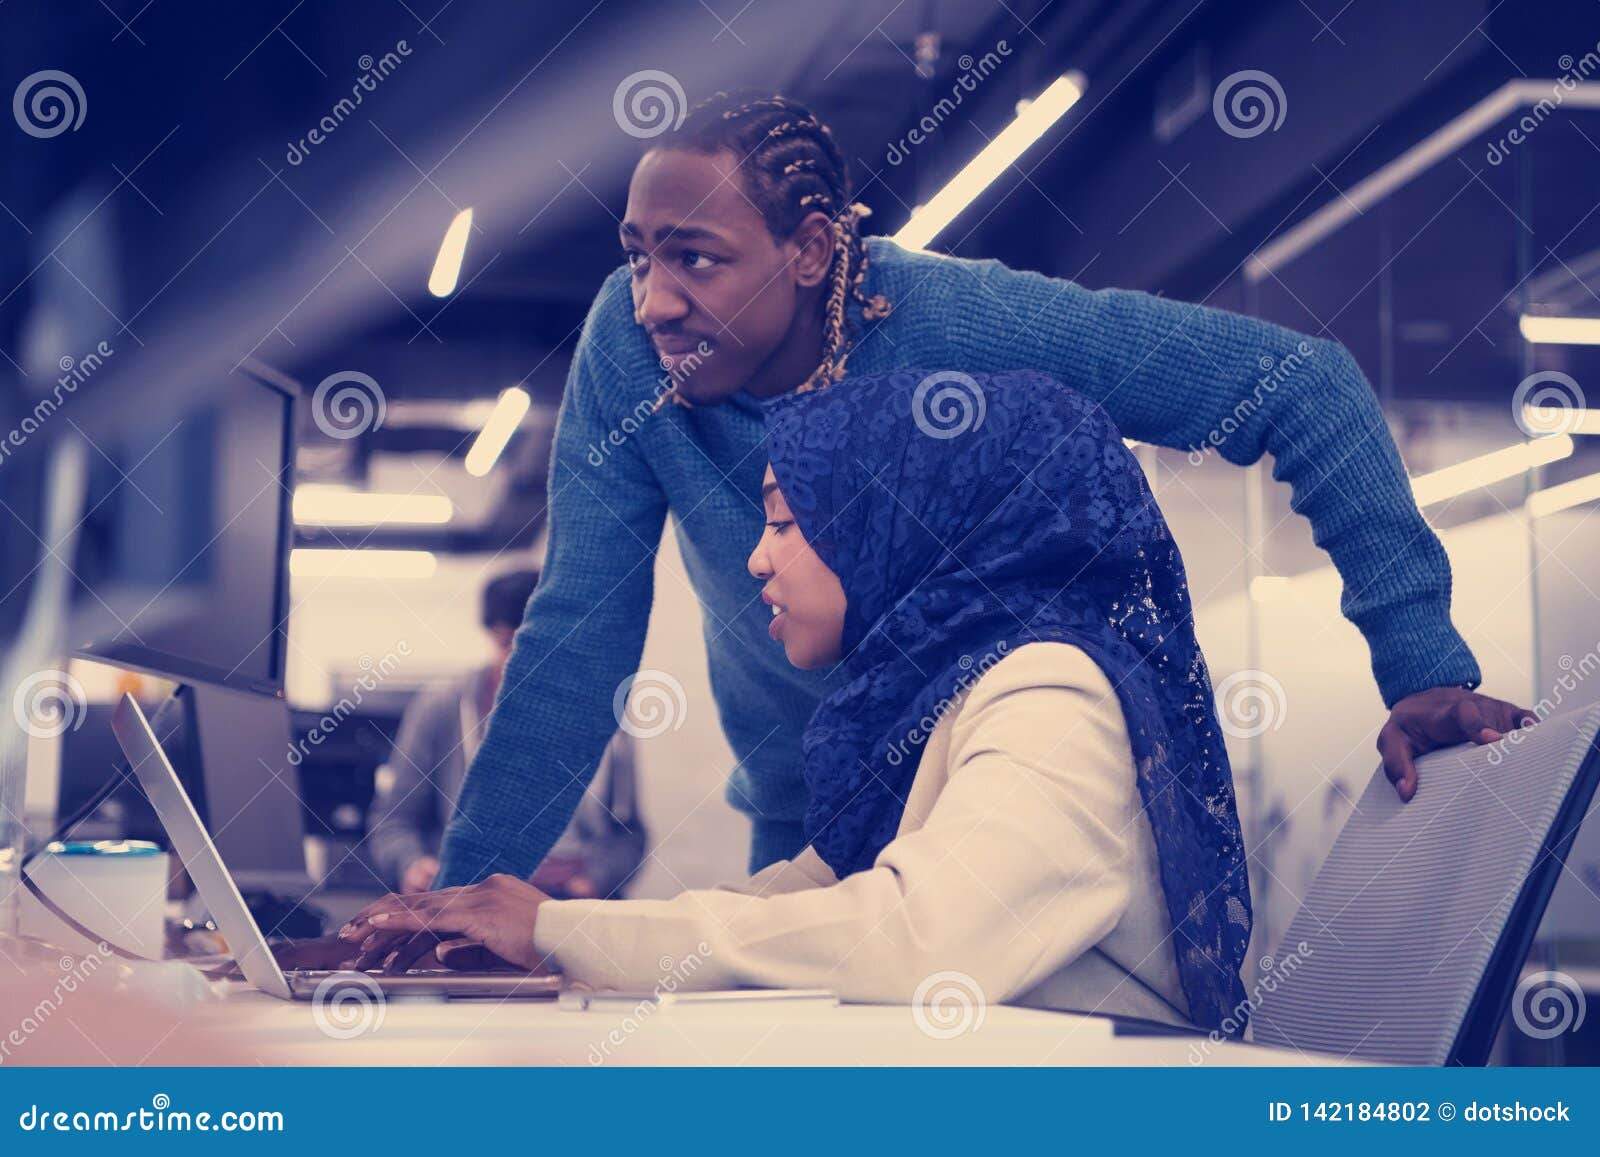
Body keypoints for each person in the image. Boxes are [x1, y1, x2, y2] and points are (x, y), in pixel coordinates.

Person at [434, 90, 1535, 891]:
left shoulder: (955, 327)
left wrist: (1422, 668)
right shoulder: (630, 356)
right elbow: (577, 626)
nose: (652, 300)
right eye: (635, 257)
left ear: (813, 248)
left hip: (993, 818)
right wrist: (462, 898)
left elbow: (1300, 383)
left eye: (695, 259)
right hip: (804, 825)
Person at [341, 370, 1253, 1033]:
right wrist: (552, 936)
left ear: (893, 523)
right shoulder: (940, 695)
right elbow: (808, 894)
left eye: (782, 519)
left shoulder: (1050, 691)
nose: (757, 557)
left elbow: (916, 939)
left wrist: (557, 927)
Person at [365, 569, 643, 900]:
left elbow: (629, 836)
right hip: (469, 901)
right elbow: (393, 822)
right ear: (492, 636)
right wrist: (411, 864)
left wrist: (592, 882)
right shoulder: (442, 707)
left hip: (570, 908)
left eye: (538, 647)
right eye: (507, 644)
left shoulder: (605, 713)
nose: (520, 663)